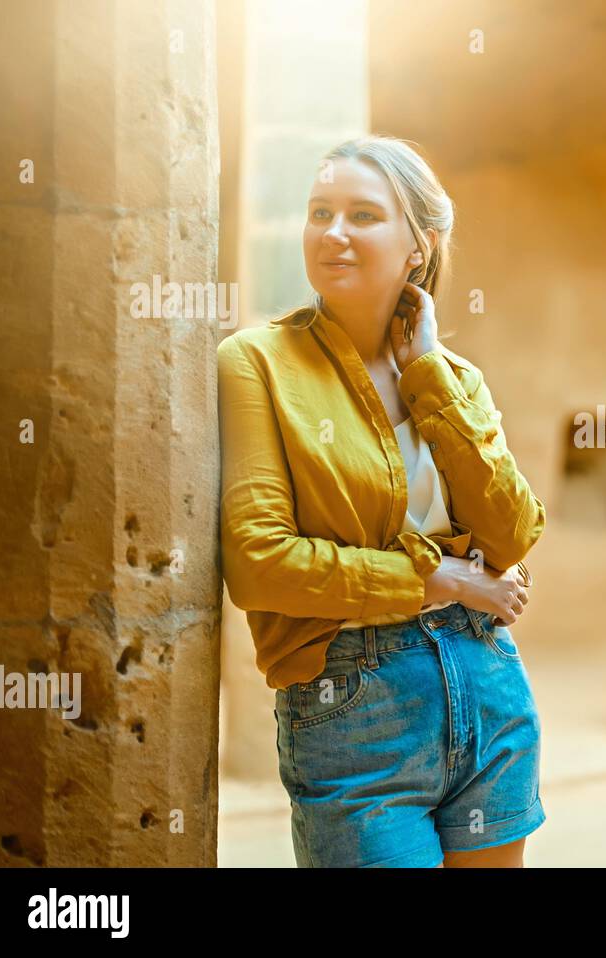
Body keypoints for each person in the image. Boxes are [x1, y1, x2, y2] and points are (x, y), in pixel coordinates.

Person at [216, 135, 546, 868]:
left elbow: (514, 532)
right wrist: (441, 579)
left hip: (487, 680)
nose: (333, 232)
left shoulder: (453, 375)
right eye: (319, 212)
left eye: (363, 215)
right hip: (352, 708)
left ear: (417, 249)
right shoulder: (257, 364)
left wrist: (426, 371)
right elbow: (260, 561)